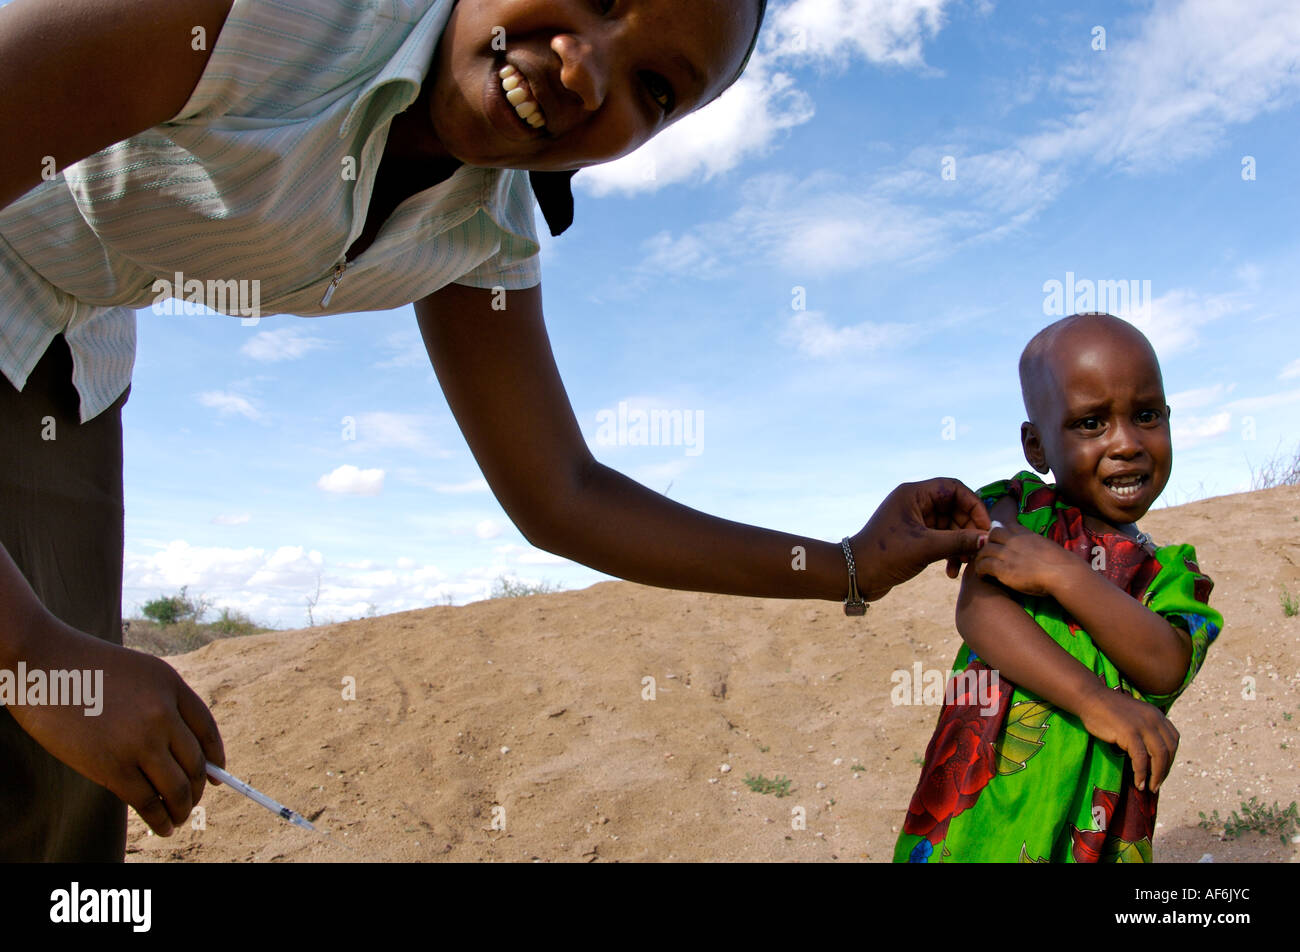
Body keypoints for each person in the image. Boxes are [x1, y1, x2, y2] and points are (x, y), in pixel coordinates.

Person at [0, 0, 990, 862]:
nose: (584, 68)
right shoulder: (268, 14)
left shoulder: (483, 227)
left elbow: (561, 492)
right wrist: (36, 655)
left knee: (56, 797)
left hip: (73, 356)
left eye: (653, 86)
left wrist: (850, 563)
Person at [892, 313, 1223, 863]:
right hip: (981, 812)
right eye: (1091, 423)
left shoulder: (1170, 574)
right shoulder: (1016, 511)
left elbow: (1165, 667)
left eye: (1146, 416)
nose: (1126, 444)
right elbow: (980, 610)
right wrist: (1094, 700)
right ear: (1036, 446)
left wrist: (1060, 572)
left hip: (1090, 828)